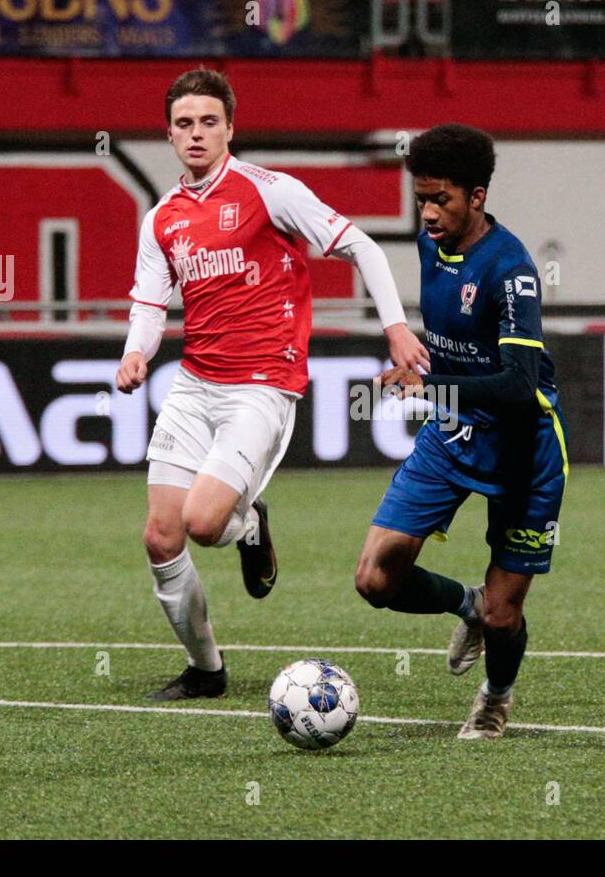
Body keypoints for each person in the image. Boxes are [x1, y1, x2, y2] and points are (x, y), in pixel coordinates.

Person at [118, 68, 427, 701]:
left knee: (205, 525)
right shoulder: (161, 221)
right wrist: (134, 355)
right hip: (193, 384)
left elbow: (364, 247)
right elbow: (150, 306)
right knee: (159, 535)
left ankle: (247, 525)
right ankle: (206, 670)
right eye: (184, 124)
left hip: (261, 386)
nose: (196, 134)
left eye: (209, 121)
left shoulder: (271, 191)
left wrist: (395, 328)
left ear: (230, 128)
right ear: (169, 135)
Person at [354, 123, 568, 739]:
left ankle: (495, 697)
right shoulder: (431, 244)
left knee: (507, 618)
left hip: (522, 450)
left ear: (477, 195)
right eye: (419, 198)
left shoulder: (512, 271)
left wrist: (433, 389)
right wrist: (424, 367)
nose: (426, 212)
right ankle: (465, 603)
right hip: (450, 433)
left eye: (440, 199)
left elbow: (519, 384)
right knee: (375, 579)